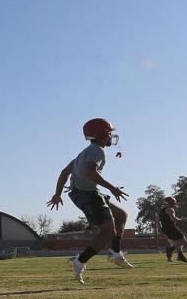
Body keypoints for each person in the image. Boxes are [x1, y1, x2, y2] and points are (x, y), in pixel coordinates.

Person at [47, 117, 129, 284]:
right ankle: (80, 261)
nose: (110, 136)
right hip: (87, 194)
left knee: (121, 215)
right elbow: (90, 173)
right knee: (108, 232)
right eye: (108, 133)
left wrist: (57, 194)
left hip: (84, 192)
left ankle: (115, 253)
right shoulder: (97, 151)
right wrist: (112, 188)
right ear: (100, 134)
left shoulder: (84, 152)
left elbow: (64, 172)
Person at [157, 196, 187, 262]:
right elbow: (173, 218)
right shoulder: (170, 209)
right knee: (183, 241)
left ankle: (178, 257)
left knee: (177, 243)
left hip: (165, 229)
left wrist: (161, 230)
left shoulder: (160, 211)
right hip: (171, 228)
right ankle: (170, 250)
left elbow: (158, 222)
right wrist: (181, 220)